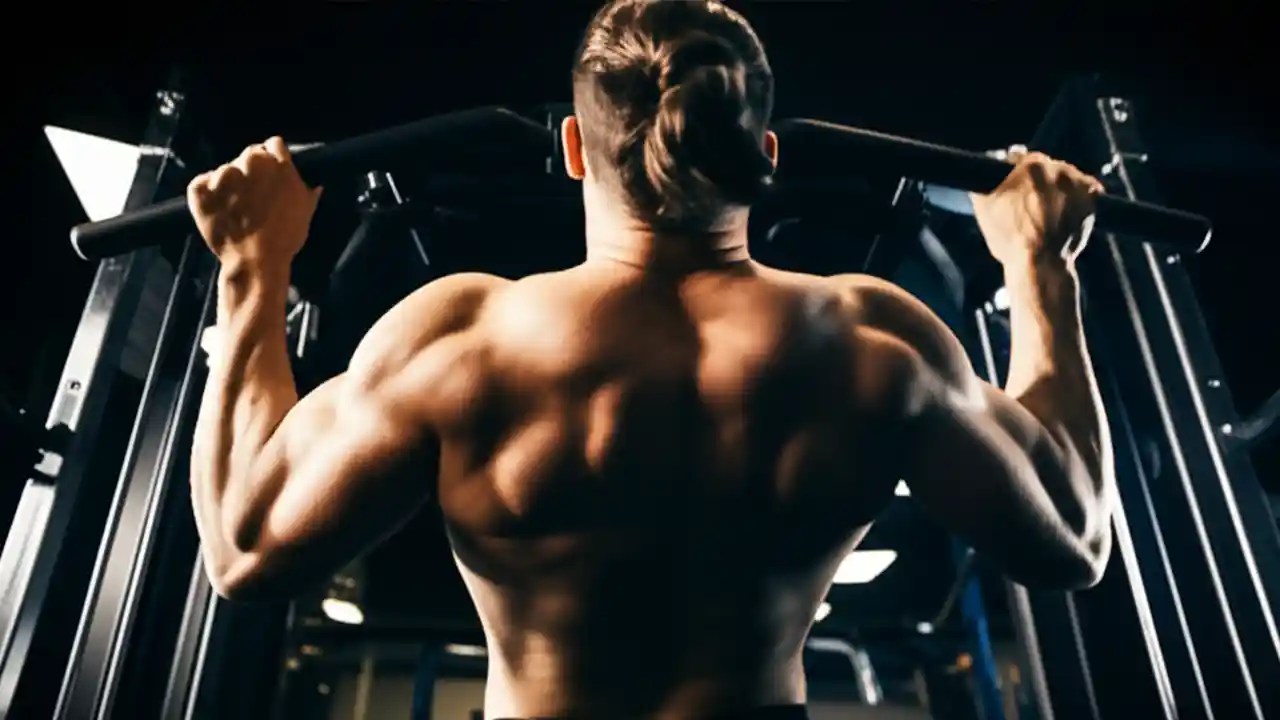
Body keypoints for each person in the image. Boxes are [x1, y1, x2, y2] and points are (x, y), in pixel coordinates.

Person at [185, 1, 1114, 717]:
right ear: (765, 154)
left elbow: (244, 547)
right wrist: (1041, 268)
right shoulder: (873, 341)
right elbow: (1074, 540)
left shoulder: (462, 340)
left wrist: (252, 266)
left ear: (573, 148)